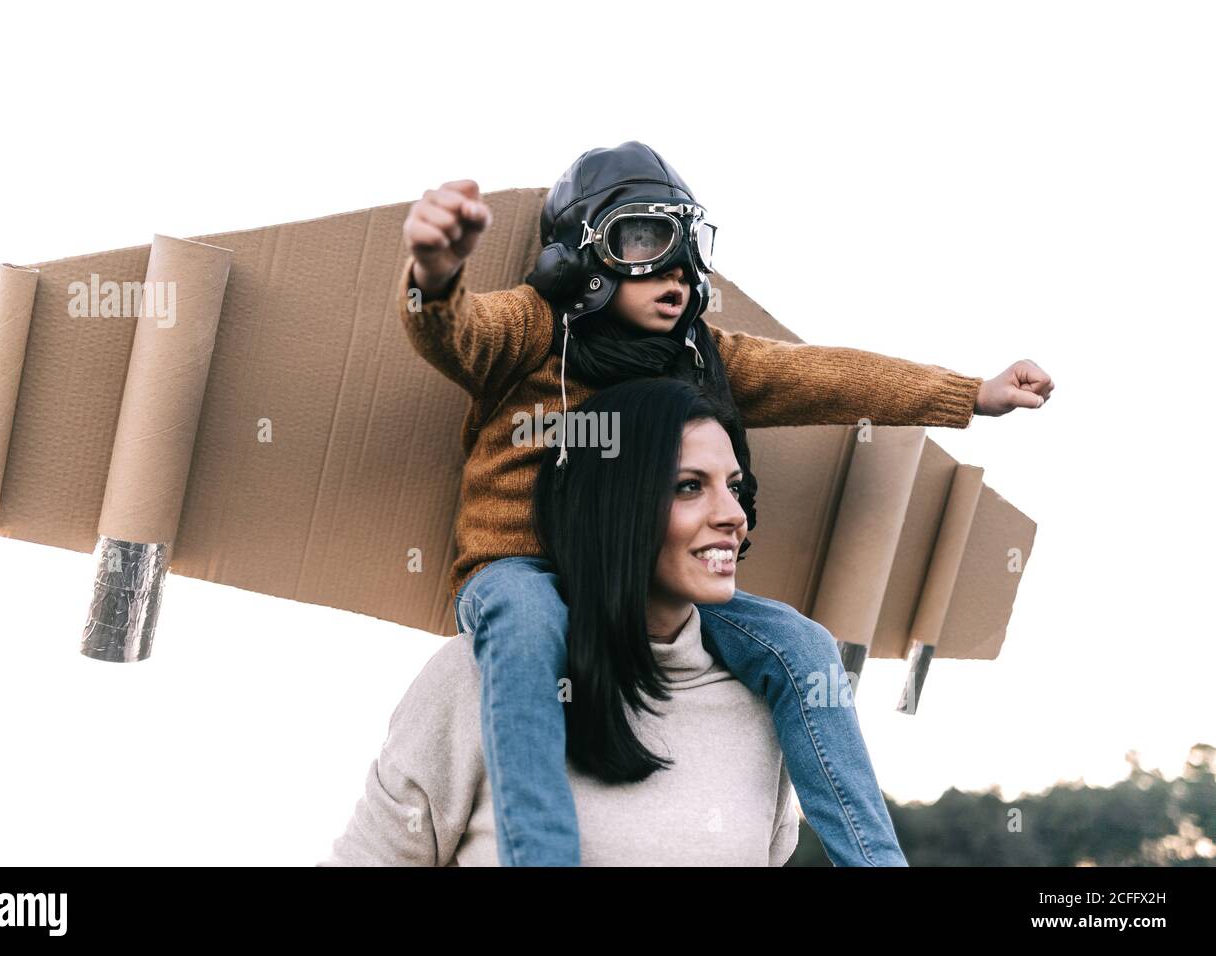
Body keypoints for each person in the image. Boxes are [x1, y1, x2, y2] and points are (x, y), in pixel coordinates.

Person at [398, 140, 1055, 865]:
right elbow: (456, 330)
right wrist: (434, 272)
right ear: (578, 259)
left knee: (803, 645)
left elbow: (831, 377)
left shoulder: (703, 356)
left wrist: (971, 395)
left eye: (688, 249)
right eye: (643, 241)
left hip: (643, 582)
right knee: (531, 620)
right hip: (521, 572)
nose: (675, 271)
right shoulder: (534, 333)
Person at [320, 378, 800, 866]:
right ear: (613, 504)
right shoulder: (480, 676)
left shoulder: (764, 705)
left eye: (734, 486)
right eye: (690, 486)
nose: (734, 515)